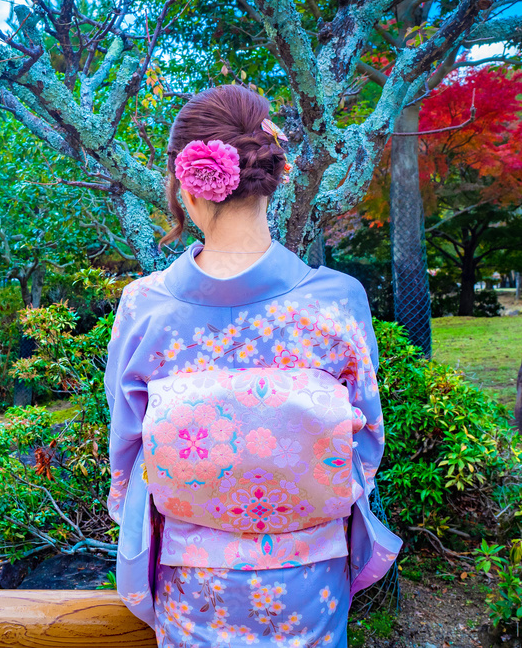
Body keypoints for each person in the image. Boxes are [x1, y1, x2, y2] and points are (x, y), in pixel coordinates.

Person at [104, 85, 401, 647]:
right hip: (309, 574)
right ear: (278, 175)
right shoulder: (335, 299)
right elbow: (365, 446)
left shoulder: (146, 306)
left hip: (191, 575)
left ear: (184, 188)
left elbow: (126, 451)